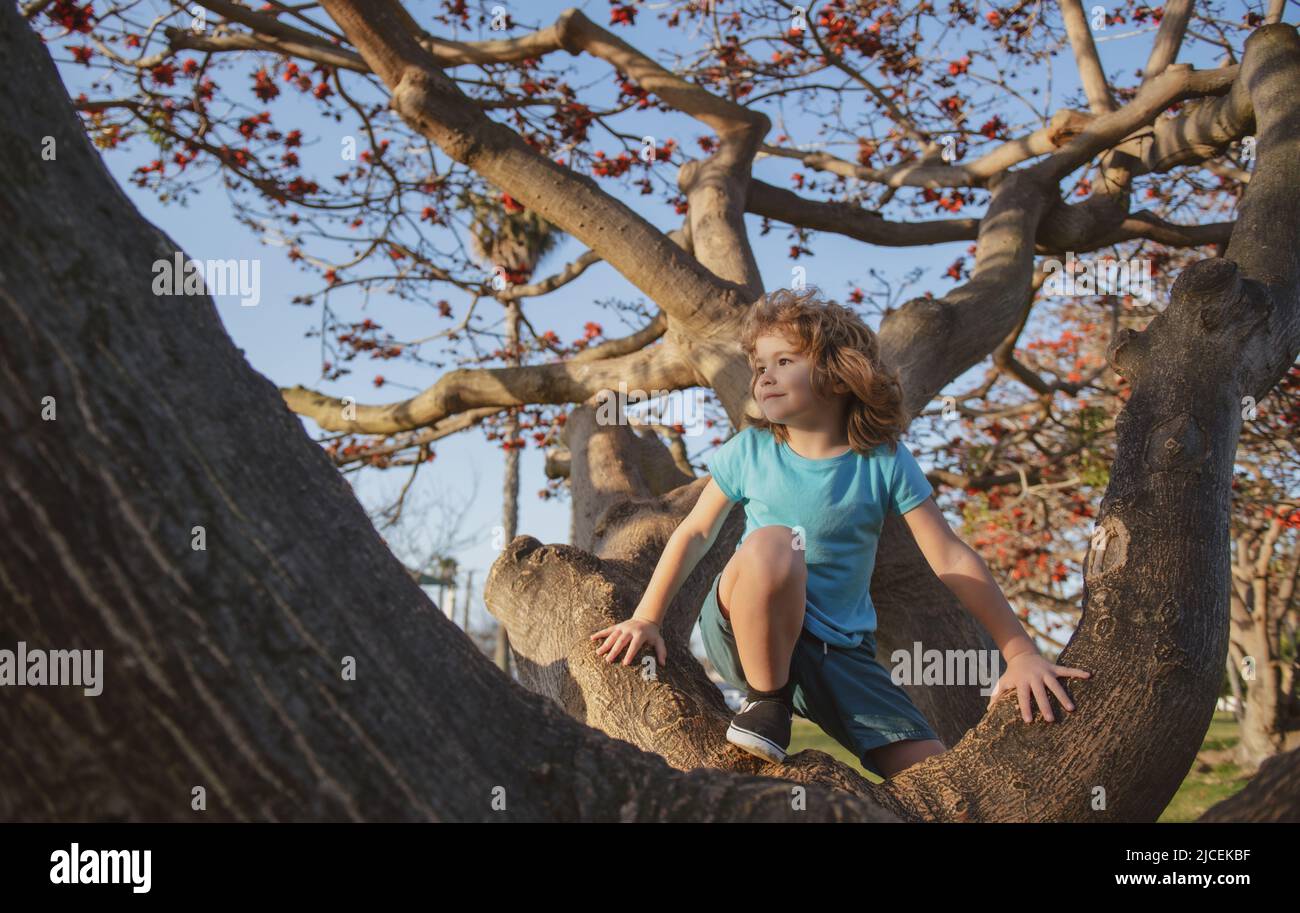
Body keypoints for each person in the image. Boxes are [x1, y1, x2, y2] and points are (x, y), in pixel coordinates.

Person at [590, 286, 1091, 779]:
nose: (764, 376)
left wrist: (1020, 652)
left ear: (838, 372)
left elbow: (951, 558)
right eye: (759, 366)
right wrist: (647, 618)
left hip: (839, 653)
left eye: (784, 361)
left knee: (936, 777)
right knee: (775, 542)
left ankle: (793, 703)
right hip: (746, 625)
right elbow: (694, 533)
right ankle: (767, 703)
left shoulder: (884, 461)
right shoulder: (750, 450)